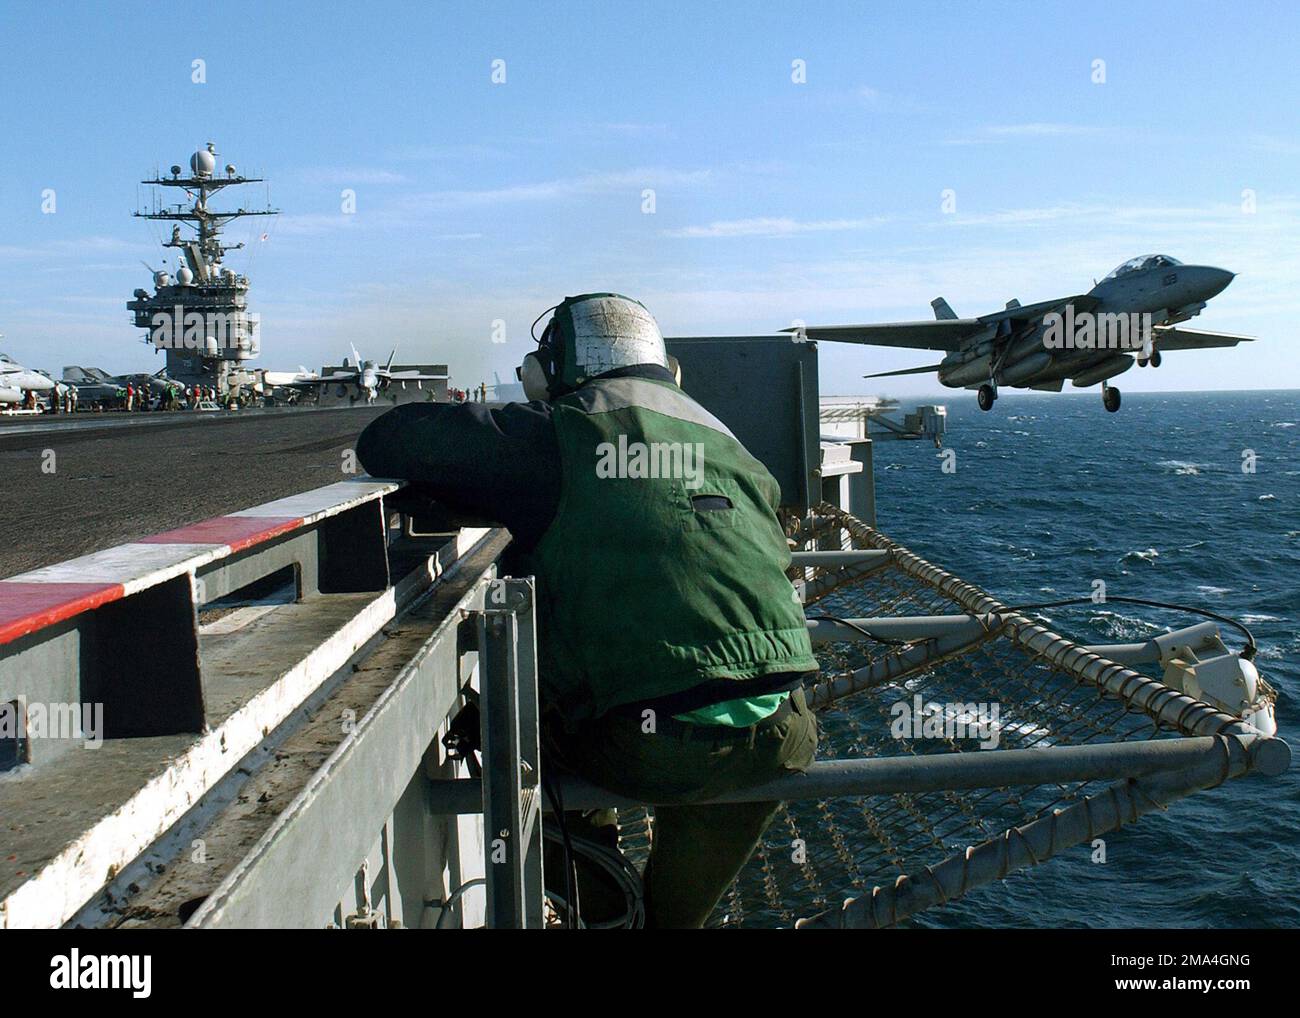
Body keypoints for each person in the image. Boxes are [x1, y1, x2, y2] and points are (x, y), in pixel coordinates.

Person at [356, 293, 818, 928]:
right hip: (779, 732)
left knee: (512, 727)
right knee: (675, 919)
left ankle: (595, 900)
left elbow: (387, 440)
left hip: (648, 743)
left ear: (556, 368)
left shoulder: (559, 434)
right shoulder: (733, 447)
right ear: (666, 366)